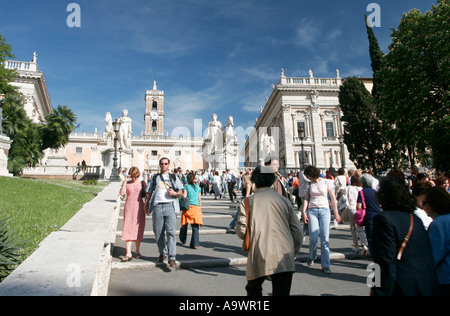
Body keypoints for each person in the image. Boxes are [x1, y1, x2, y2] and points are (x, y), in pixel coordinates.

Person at [236, 166, 303, 296]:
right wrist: (293, 251)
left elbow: (241, 231)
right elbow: (297, 231)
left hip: (259, 253)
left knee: (253, 289)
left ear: (254, 180)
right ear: (272, 180)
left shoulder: (248, 202)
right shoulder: (284, 201)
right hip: (284, 254)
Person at [371, 177, 441, 296]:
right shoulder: (416, 219)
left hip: (401, 284)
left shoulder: (383, 220)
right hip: (425, 283)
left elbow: (384, 262)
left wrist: (378, 290)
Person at [301, 165, 341, 273]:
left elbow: (333, 198)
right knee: (313, 238)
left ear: (311, 174)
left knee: (325, 238)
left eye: (308, 175)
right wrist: (303, 212)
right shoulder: (309, 184)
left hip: (324, 210)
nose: (307, 178)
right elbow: (306, 199)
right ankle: (312, 256)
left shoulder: (326, 182)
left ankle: (325, 265)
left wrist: (336, 213)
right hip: (312, 211)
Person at [144, 157, 184, 267]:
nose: (164, 165)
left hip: (170, 206)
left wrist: (175, 194)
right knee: (158, 232)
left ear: (169, 165)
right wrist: (146, 204)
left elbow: (182, 191)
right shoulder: (155, 177)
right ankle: (162, 253)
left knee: (171, 232)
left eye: (166, 163)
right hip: (157, 206)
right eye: (162, 163)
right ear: (159, 165)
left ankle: (172, 257)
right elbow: (149, 191)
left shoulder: (174, 177)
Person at [422, 187, 450, 296]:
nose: (423, 207)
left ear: (433, 204)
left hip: (444, 277)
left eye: (425, 203)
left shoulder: (438, 224)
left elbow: (434, 256)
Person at [119, 167, 146, 262]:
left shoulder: (141, 183)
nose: (133, 178)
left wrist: (146, 207)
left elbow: (146, 195)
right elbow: (122, 194)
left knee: (138, 229)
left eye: (135, 176)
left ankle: (137, 251)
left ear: (138, 175)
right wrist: (125, 182)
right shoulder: (128, 183)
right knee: (128, 227)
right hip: (129, 208)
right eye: (132, 176)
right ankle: (128, 253)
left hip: (139, 208)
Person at [356, 173, 382, 255]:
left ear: (362, 183)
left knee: (370, 237)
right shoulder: (375, 192)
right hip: (378, 215)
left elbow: (358, 206)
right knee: (378, 236)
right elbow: (380, 204)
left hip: (369, 216)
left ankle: (374, 255)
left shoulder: (361, 192)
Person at [345, 175, 368, 255]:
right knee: (360, 228)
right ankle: (364, 244)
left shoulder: (348, 188)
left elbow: (345, 198)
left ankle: (356, 246)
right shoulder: (360, 189)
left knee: (352, 228)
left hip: (351, 208)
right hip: (359, 209)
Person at [180, 173, 203, 249]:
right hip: (196, 208)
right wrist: (200, 208)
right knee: (195, 227)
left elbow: (184, 196)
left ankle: (183, 239)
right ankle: (195, 244)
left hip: (188, 207)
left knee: (184, 224)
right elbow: (199, 199)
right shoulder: (198, 188)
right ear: (194, 179)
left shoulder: (186, 187)